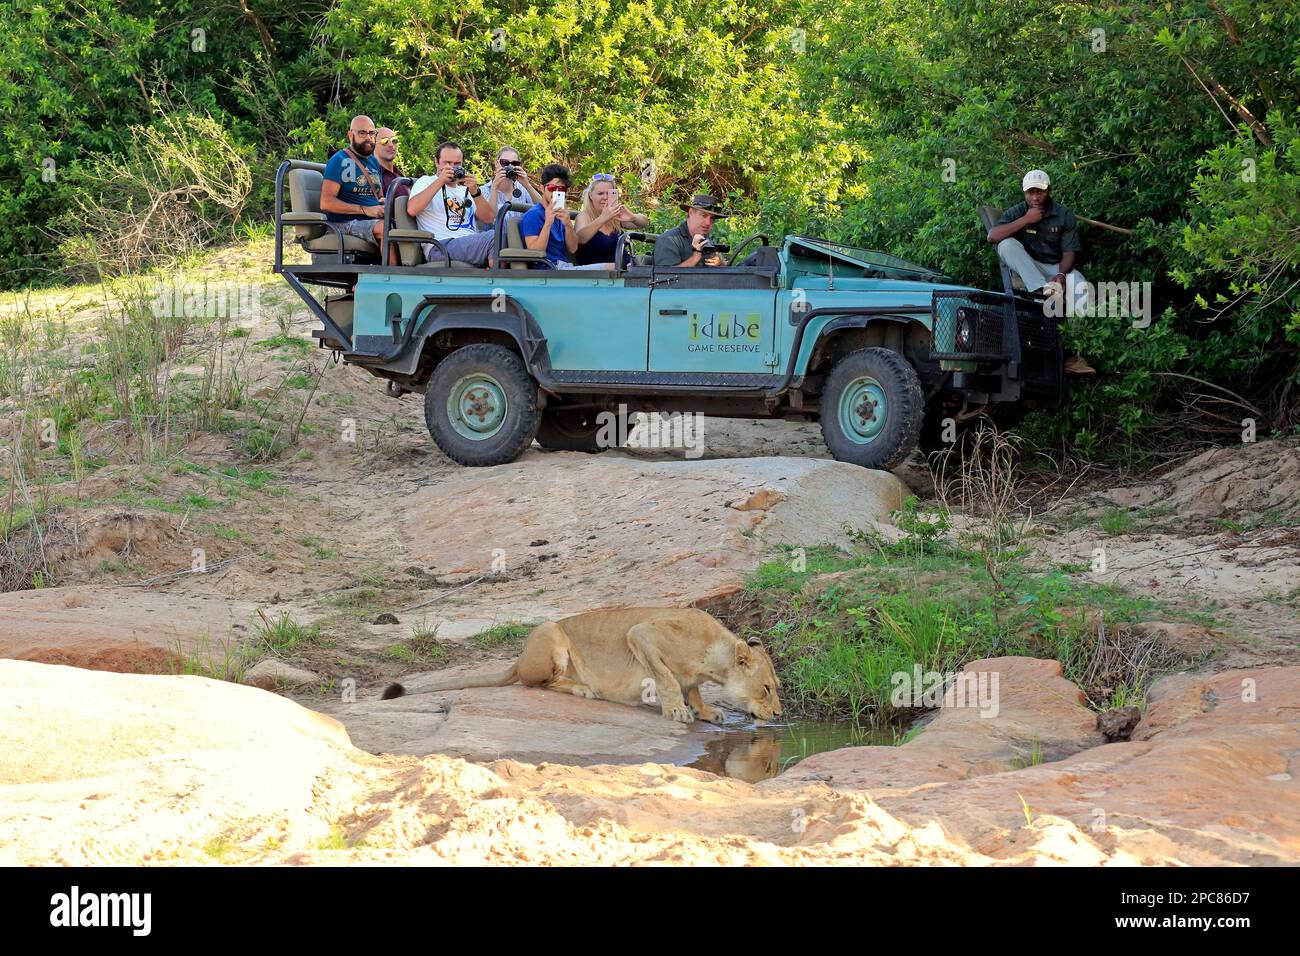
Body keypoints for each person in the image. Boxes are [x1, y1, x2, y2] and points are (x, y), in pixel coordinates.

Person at [987, 169, 1095, 374]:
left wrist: (1061, 275)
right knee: (1005, 244)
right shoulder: (1019, 211)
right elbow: (993, 236)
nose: (1035, 197)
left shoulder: (1064, 215)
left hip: (1057, 267)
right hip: (1031, 268)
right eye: (1030, 192)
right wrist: (1027, 219)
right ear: (1024, 193)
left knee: (1080, 284)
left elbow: (1069, 252)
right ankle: (1040, 291)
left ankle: (1075, 355)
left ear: (1049, 191)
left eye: (1040, 192)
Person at [407, 141, 497, 266]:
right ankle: (496, 282)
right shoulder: (426, 182)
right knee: (495, 238)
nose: (452, 167)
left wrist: (476, 192)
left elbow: (489, 218)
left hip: (467, 244)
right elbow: (412, 209)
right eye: (447, 163)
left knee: (504, 234)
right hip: (440, 247)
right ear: (436, 162)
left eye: (457, 164)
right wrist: (440, 181)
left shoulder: (464, 190)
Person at [317, 115, 389, 257]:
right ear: (351, 135)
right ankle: (390, 277)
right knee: (387, 228)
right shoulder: (339, 160)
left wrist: (384, 202)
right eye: (362, 133)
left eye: (372, 133)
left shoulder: (374, 162)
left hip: (371, 220)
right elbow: (326, 203)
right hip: (343, 223)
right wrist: (364, 210)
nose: (368, 137)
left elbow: (378, 196)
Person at [518, 165, 612, 270]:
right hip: (547, 269)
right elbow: (536, 253)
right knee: (611, 267)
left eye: (561, 189)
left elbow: (573, 248)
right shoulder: (534, 215)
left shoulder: (560, 214)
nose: (556, 192)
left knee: (620, 266)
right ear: (542, 188)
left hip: (564, 267)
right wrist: (548, 223)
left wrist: (567, 223)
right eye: (552, 188)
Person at [574, 174, 649, 267]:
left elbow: (644, 222)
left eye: (609, 193)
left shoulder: (615, 216)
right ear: (590, 196)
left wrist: (633, 217)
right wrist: (602, 218)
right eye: (600, 193)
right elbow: (580, 239)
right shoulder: (584, 216)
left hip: (625, 267)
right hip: (601, 273)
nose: (605, 197)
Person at [477, 146, 544, 231]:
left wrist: (527, 185)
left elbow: (542, 208)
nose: (510, 166)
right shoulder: (484, 190)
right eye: (505, 163)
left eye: (514, 163)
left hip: (521, 238)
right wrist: (494, 187)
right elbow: (489, 218)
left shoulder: (521, 187)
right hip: (495, 240)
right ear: (497, 163)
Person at [653, 194, 727, 267]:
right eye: (704, 215)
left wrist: (719, 264)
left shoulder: (708, 241)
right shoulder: (668, 240)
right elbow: (665, 276)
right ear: (691, 212)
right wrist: (695, 257)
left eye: (712, 218)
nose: (708, 223)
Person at [375, 127, 408, 200]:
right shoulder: (370, 175)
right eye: (384, 141)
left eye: (394, 140)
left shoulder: (399, 174)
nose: (391, 145)